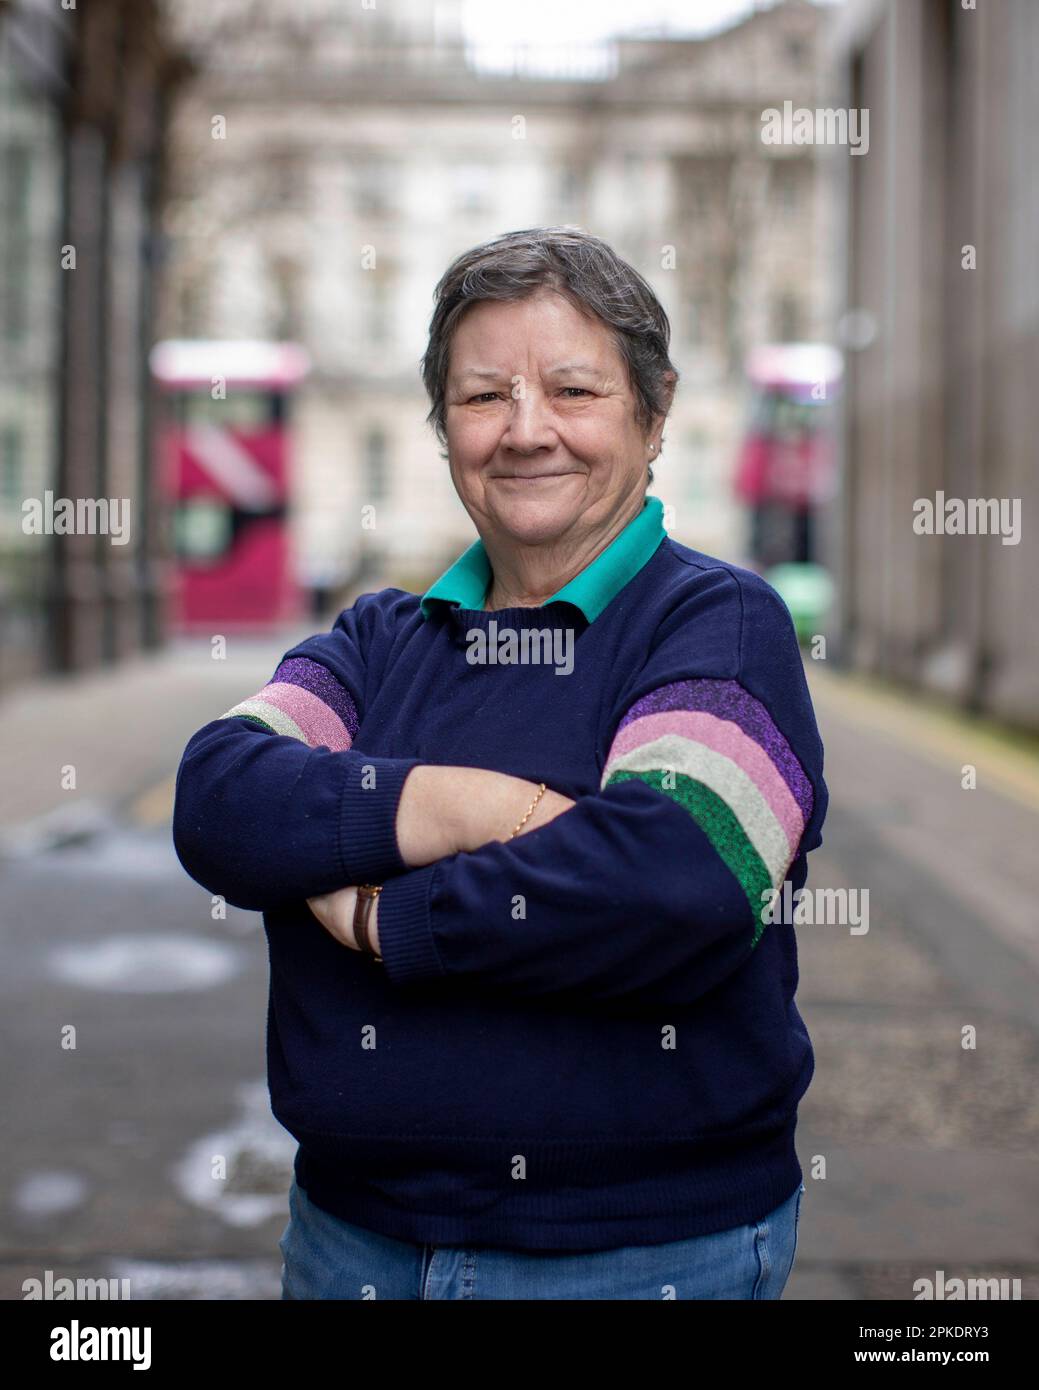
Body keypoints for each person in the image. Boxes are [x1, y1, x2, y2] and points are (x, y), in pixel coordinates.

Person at [172, 226, 827, 1300]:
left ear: (651, 416)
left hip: (630, 1257)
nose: (526, 432)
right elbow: (220, 798)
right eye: (484, 397)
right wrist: (468, 806)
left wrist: (386, 914)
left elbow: (670, 882)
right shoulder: (383, 636)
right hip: (351, 1241)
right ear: (443, 429)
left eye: (572, 390)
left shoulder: (718, 626)